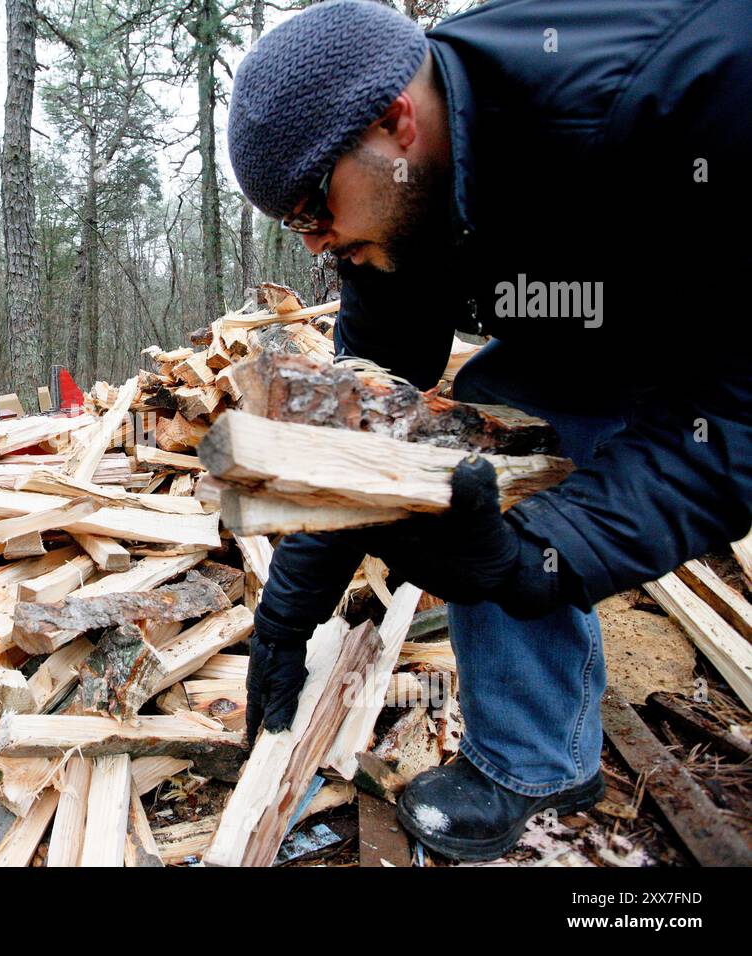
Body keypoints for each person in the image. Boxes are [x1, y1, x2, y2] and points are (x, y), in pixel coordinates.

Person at [227, 0, 750, 860]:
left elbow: (736, 413)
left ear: (396, 122)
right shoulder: (399, 200)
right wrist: (290, 612)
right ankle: (535, 761)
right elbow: (374, 413)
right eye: (295, 226)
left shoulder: (689, 88)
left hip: (728, 318)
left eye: (315, 209)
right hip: (607, 311)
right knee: (494, 405)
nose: (319, 245)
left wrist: (551, 554)